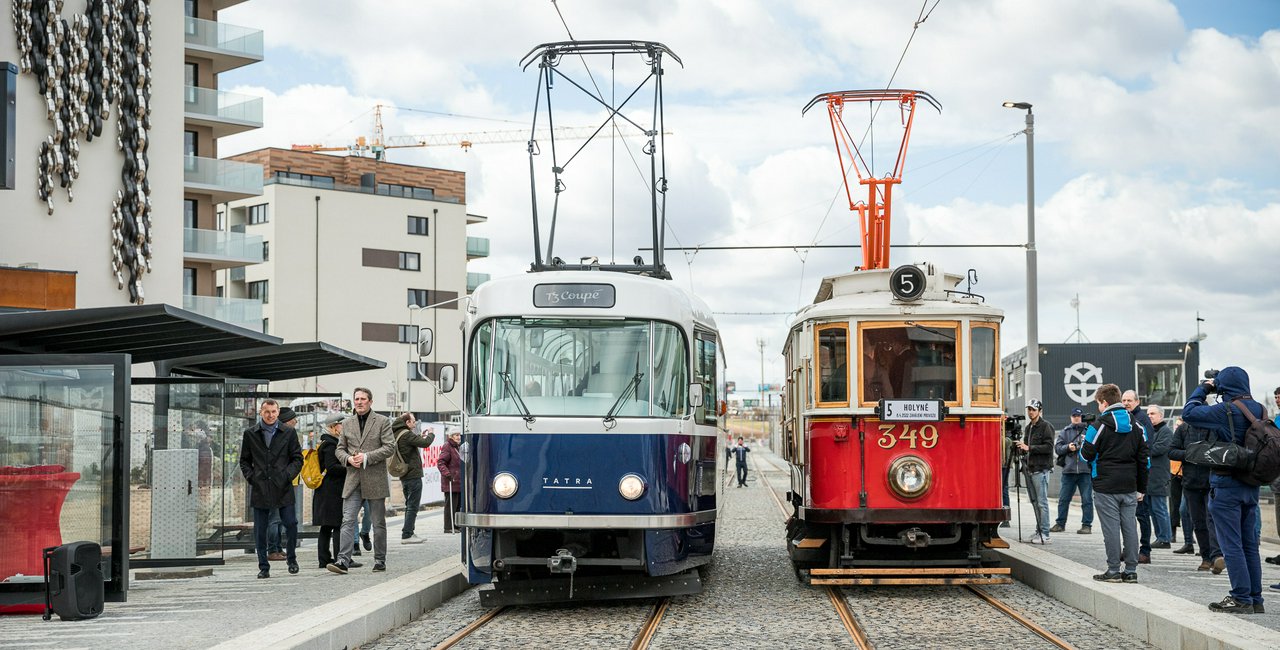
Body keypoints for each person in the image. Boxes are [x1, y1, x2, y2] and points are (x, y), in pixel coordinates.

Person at [1182, 367, 1267, 614]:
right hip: (1250, 485)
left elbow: (1189, 413)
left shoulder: (1225, 410)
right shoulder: (1260, 408)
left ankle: (1240, 597)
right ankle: (1255, 598)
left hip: (1226, 484)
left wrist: (1204, 388)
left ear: (1224, 386)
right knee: (1250, 544)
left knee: (1231, 545)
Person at [1081, 383, 1148, 584]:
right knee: (1130, 528)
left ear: (1104, 402)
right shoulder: (1137, 426)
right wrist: (1141, 488)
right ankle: (1131, 570)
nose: (1098, 408)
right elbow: (1144, 460)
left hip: (1105, 485)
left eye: (1098, 404)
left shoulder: (1098, 426)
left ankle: (1113, 570)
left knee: (1111, 530)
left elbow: (1086, 455)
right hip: (1130, 485)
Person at [327, 387, 395, 575]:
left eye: (363, 399)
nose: (359, 402)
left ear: (370, 402)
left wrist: (367, 457)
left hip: (375, 478)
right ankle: (343, 561)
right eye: (356, 399)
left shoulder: (382, 421)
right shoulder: (347, 424)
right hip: (353, 479)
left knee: (378, 522)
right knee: (348, 520)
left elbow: (390, 447)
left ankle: (380, 559)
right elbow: (339, 449)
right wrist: (347, 459)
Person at [239, 399, 303, 579]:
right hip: (260, 487)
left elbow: (297, 458)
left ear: (277, 413)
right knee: (260, 529)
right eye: (267, 412)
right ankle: (263, 567)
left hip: (283, 486)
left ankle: (291, 559)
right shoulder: (251, 434)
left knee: (291, 523)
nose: (270, 415)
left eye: (274, 412)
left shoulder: (289, 433)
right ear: (261, 412)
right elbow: (244, 460)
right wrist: (252, 477)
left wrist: (286, 475)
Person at [1168, 419, 1224, 574]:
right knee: (1198, 522)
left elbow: (1221, 450)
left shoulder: (1214, 427)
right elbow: (1171, 451)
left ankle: (1216, 555)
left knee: (1212, 519)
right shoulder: (1183, 429)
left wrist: (1204, 454)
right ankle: (1206, 557)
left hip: (1211, 482)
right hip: (1190, 483)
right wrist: (1192, 453)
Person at [313, 414, 352, 569]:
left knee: (327, 526)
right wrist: (350, 466)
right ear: (334, 427)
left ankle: (324, 559)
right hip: (331, 490)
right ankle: (339, 558)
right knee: (336, 524)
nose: (345, 428)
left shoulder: (329, 442)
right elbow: (331, 467)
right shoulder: (330, 445)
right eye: (342, 425)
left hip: (327, 490)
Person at [1122, 390, 1155, 564]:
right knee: (1128, 515)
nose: (1126, 403)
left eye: (1129, 400)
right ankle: (1129, 549)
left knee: (1142, 514)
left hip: (1139, 474)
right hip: (1127, 473)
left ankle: (1145, 551)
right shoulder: (1125, 418)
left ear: (1137, 401)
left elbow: (1147, 447)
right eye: (1124, 400)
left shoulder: (1141, 419)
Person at [393, 412, 435, 544]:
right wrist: (431, 433)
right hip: (413, 474)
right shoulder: (406, 434)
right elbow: (425, 443)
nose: (415, 423)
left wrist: (419, 437)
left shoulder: (398, 433)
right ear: (407, 423)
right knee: (413, 506)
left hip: (404, 475)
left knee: (409, 504)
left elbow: (413, 442)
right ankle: (407, 534)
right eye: (413, 420)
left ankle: (409, 532)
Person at [1017, 399, 1055, 544]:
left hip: (1041, 469)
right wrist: (1022, 448)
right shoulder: (1028, 428)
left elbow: (1048, 448)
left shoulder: (1046, 426)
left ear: (1040, 411)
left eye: (1033, 409)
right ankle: (1039, 530)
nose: (1031, 412)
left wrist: (1029, 448)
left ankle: (1045, 533)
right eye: (1029, 409)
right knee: (1035, 502)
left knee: (1042, 503)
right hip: (1031, 469)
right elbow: (1026, 446)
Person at [1051, 408, 1093, 534]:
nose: (1076, 418)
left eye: (1078, 416)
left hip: (1085, 470)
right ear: (1071, 417)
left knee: (1087, 500)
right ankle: (1060, 523)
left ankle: (1087, 525)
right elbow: (1058, 448)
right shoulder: (1065, 431)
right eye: (1074, 415)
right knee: (1063, 499)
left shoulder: (1089, 431)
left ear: (1082, 417)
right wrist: (1068, 447)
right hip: (1069, 471)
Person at [1145, 405, 1174, 551]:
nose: (1150, 416)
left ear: (1161, 416)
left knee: (1160, 508)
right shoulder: (1150, 431)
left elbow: (1158, 449)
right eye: (1148, 413)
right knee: (1152, 509)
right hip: (1149, 477)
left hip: (1159, 477)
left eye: (1153, 413)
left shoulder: (1166, 431)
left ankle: (1165, 538)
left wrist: (1144, 448)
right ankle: (1159, 537)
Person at [438, 430, 463, 533]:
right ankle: (448, 527)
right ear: (451, 436)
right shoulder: (447, 446)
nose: (458, 437)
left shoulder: (458, 447)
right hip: (451, 480)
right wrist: (447, 473)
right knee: (450, 505)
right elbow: (441, 462)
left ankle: (456, 525)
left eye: (459, 435)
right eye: (456, 435)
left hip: (458, 481)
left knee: (457, 505)